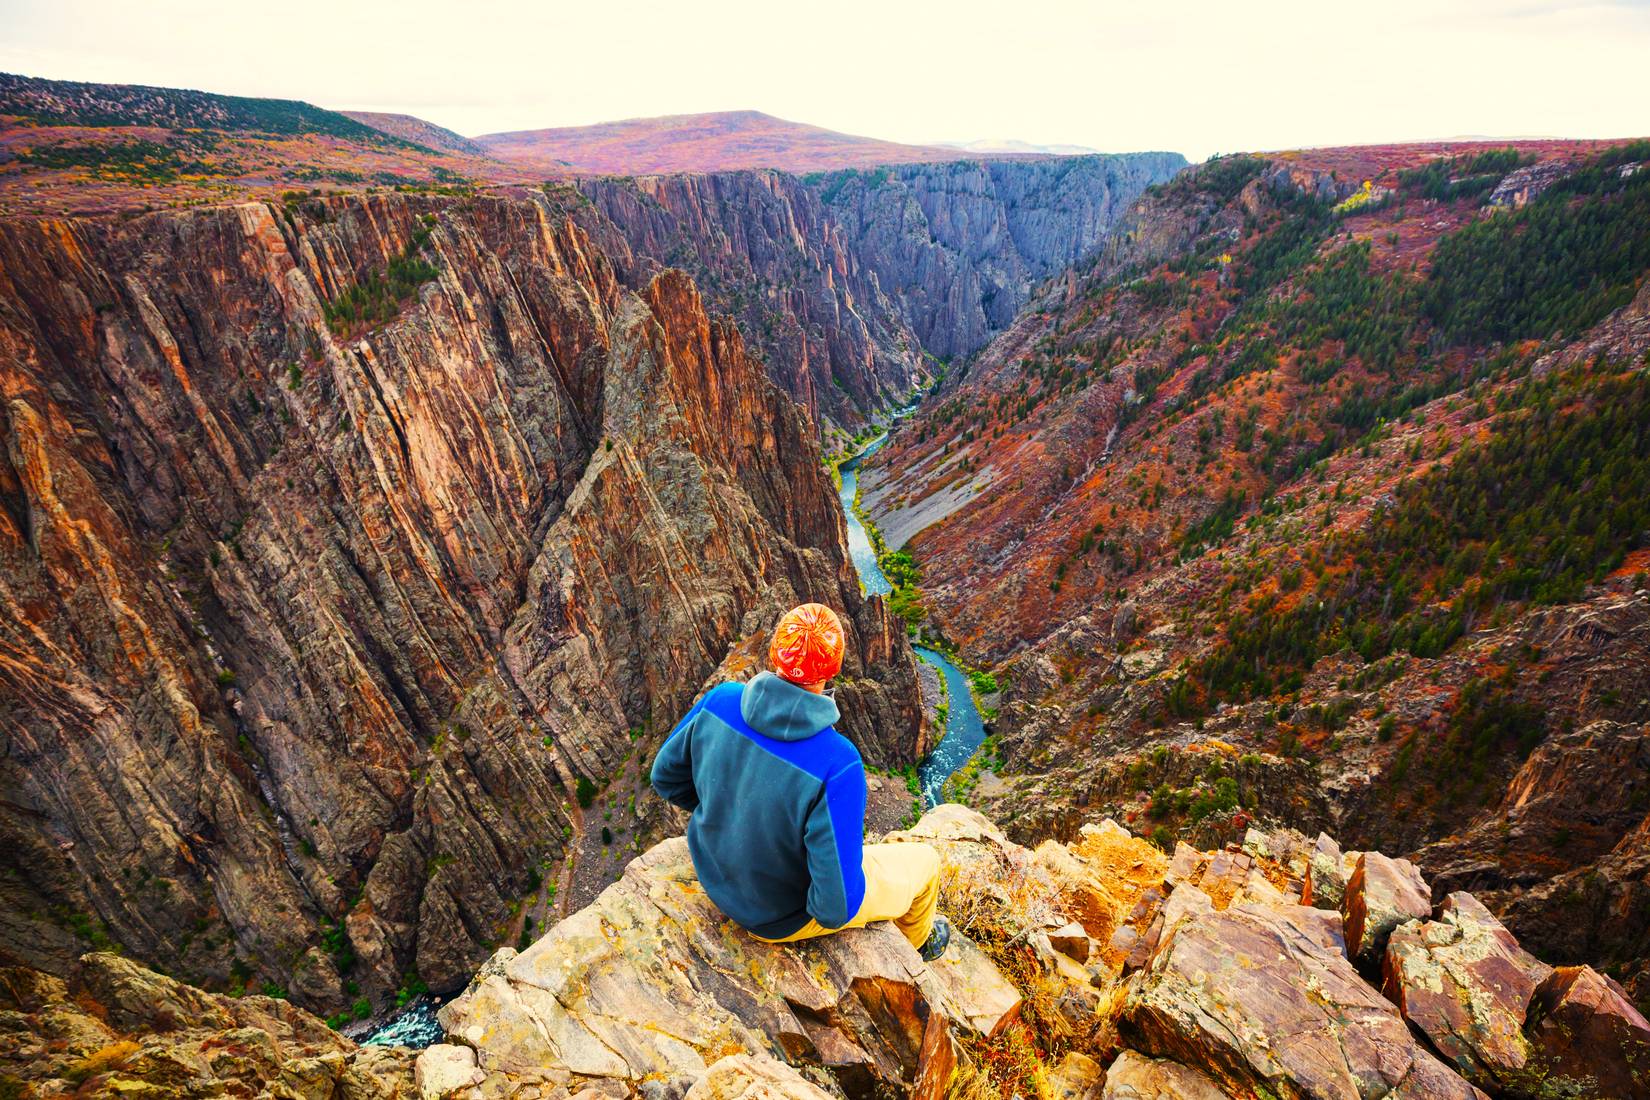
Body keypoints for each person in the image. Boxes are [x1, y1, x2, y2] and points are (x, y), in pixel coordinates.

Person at [650, 602, 952, 962]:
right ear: (832, 669)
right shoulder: (838, 764)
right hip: (776, 917)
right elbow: (835, 908)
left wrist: (724, 813)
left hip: (711, 872)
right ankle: (918, 948)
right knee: (926, 862)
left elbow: (664, 777)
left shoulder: (720, 701)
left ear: (776, 651)